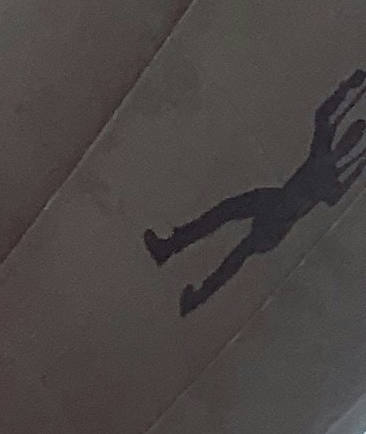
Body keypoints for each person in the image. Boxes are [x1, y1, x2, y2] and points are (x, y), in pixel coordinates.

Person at [144, 67, 366, 315]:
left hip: (281, 217)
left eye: (352, 141)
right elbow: (323, 115)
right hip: (276, 200)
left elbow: (338, 193)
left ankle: (198, 293)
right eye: (349, 135)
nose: (347, 142)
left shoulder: (330, 176)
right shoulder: (323, 153)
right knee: (225, 214)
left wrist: (359, 164)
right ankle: (171, 246)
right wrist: (347, 88)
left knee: (238, 253)